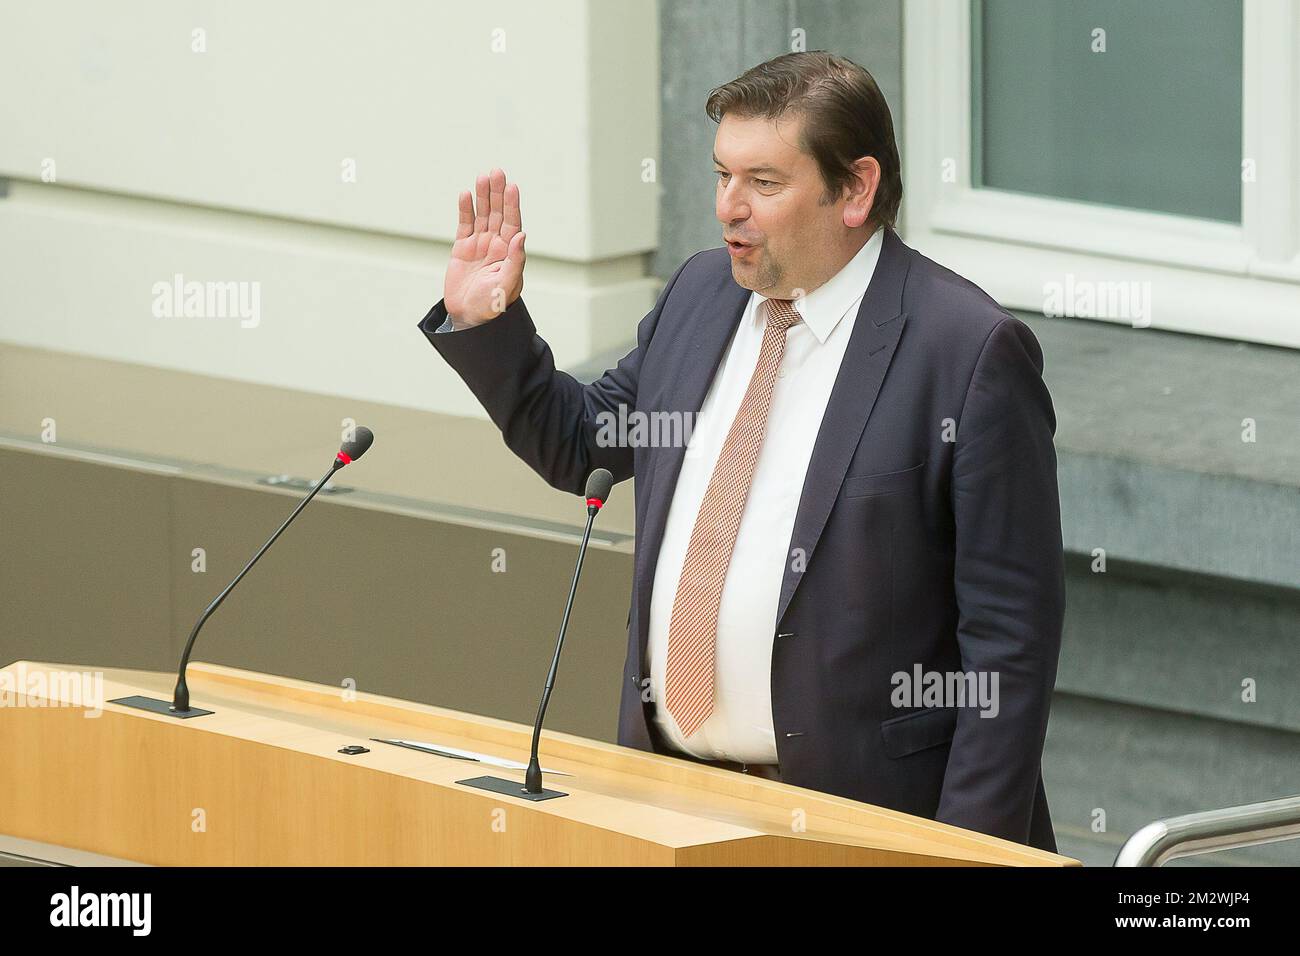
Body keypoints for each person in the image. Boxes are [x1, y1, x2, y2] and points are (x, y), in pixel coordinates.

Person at [417, 51, 1065, 852]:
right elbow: (584, 442)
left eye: (763, 183)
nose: (728, 208)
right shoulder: (701, 294)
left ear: (855, 189)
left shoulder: (965, 352)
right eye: (723, 175)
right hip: (669, 807)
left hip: (864, 827)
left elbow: (1009, 646)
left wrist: (968, 854)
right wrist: (489, 325)